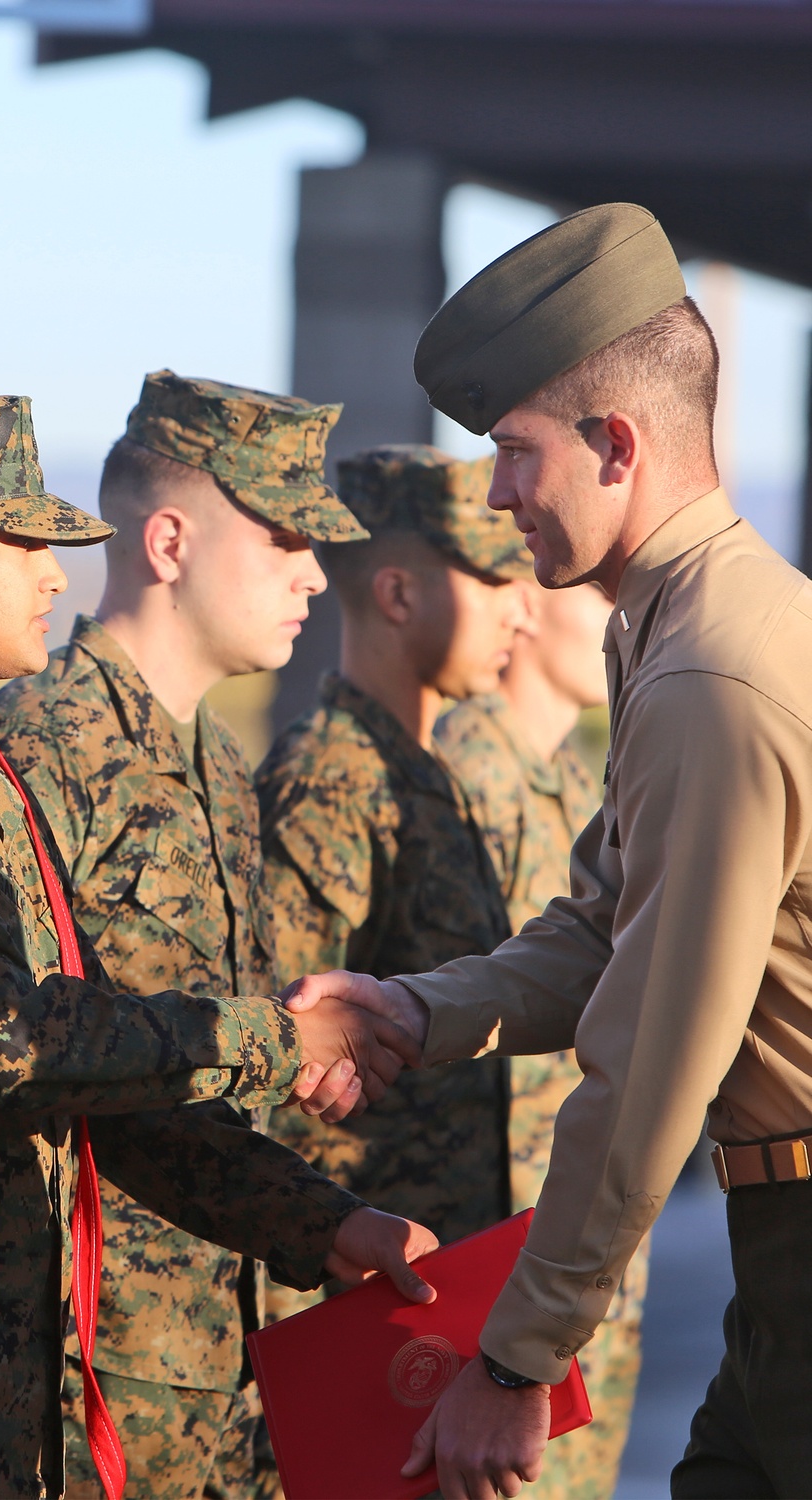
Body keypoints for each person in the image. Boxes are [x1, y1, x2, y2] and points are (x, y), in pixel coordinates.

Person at [0, 395, 436, 1500]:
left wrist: (325, 1226)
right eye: (17, 540)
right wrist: (277, 1040)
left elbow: (100, 1087)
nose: (57, 571)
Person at [288, 200, 812, 1500]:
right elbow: (600, 926)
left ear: (618, 443)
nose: (500, 495)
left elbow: (648, 1060)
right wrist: (415, 1005)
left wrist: (517, 1362)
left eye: (517, 455)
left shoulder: (707, 676)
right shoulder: (691, 621)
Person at [0, 369, 370, 1500]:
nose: (315, 573)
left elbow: (204, 1064)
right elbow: (43, 1056)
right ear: (167, 541)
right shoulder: (40, 750)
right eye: (284, 538)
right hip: (87, 1370)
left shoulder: (219, 765)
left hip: (227, 1353)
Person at [257, 445, 529, 1258]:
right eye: (491, 582)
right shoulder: (329, 779)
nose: (521, 613)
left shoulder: (427, 770)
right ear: (398, 593)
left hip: (440, 1253)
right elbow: (285, 1057)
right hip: (362, 1274)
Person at [436, 577, 644, 1500]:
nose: (615, 619)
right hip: (490, 1255)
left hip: (574, 1254)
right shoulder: (458, 771)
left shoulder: (578, 777)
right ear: (523, 605)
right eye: (592, 597)